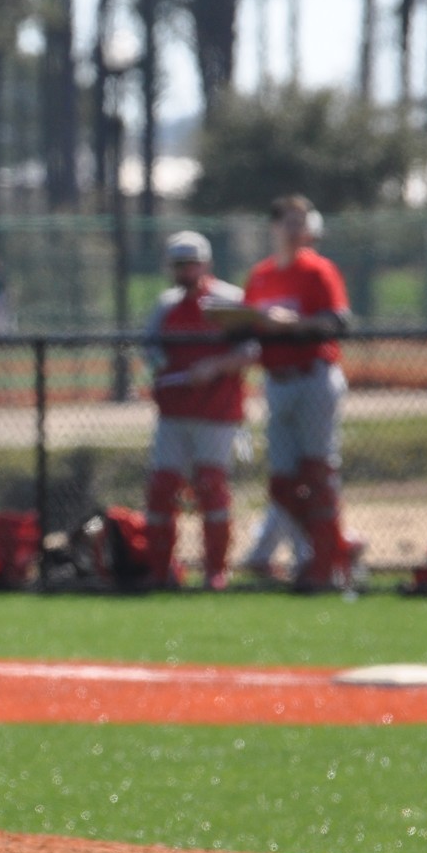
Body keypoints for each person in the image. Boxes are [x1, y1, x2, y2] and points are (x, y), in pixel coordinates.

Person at [241, 195, 353, 591]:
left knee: (318, 474)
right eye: (288, 222)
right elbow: (247, 324)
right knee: (283, 481)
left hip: (313, 377)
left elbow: (338, 322)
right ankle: (328, 550)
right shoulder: (261, 276)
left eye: (301, 223)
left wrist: (294, 324)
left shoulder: (319, 271)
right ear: (274, 227)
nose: (295, 230)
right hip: (276, 380)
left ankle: (325, 565)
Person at [140, 231, 255, 590]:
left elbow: (252, 350)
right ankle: (160, 570)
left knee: (211, 486)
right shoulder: (166, 305)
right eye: (179, 266)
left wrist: (215, 367)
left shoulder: (228, 301)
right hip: (174, 412)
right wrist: (160, 366)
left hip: (216, 412)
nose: (185, 272)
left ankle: (216, 571)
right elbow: (150, 348)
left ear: (205, 264)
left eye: (191, 264)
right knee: (162, 487)